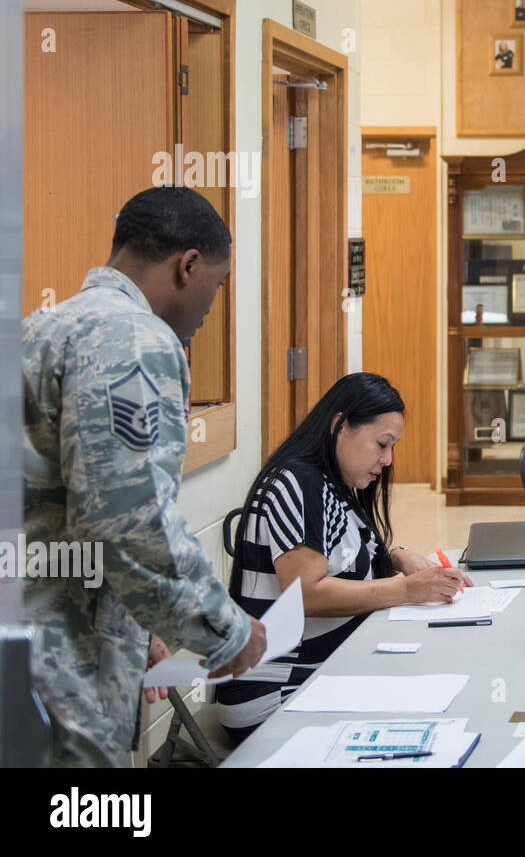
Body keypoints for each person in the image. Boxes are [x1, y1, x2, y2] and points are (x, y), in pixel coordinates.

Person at [22, 187, 266, 767]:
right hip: (63, 658)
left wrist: (142, 624)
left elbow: (59, 510)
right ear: (187, 265)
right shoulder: (132, 338)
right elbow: (127, 519)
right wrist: (225, 629)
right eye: (218, 282)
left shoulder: (41, 328)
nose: (213, 303)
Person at [216, 373, 470, 741]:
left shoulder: (333, 483)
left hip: (323, 671)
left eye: (392, 447)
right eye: (382, 444)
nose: (387, 459)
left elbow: (346, 554)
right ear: (340, 425)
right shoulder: (297, 482)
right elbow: (305, 594)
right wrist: (406, 590)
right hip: (277, 692)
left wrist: (397, 557)